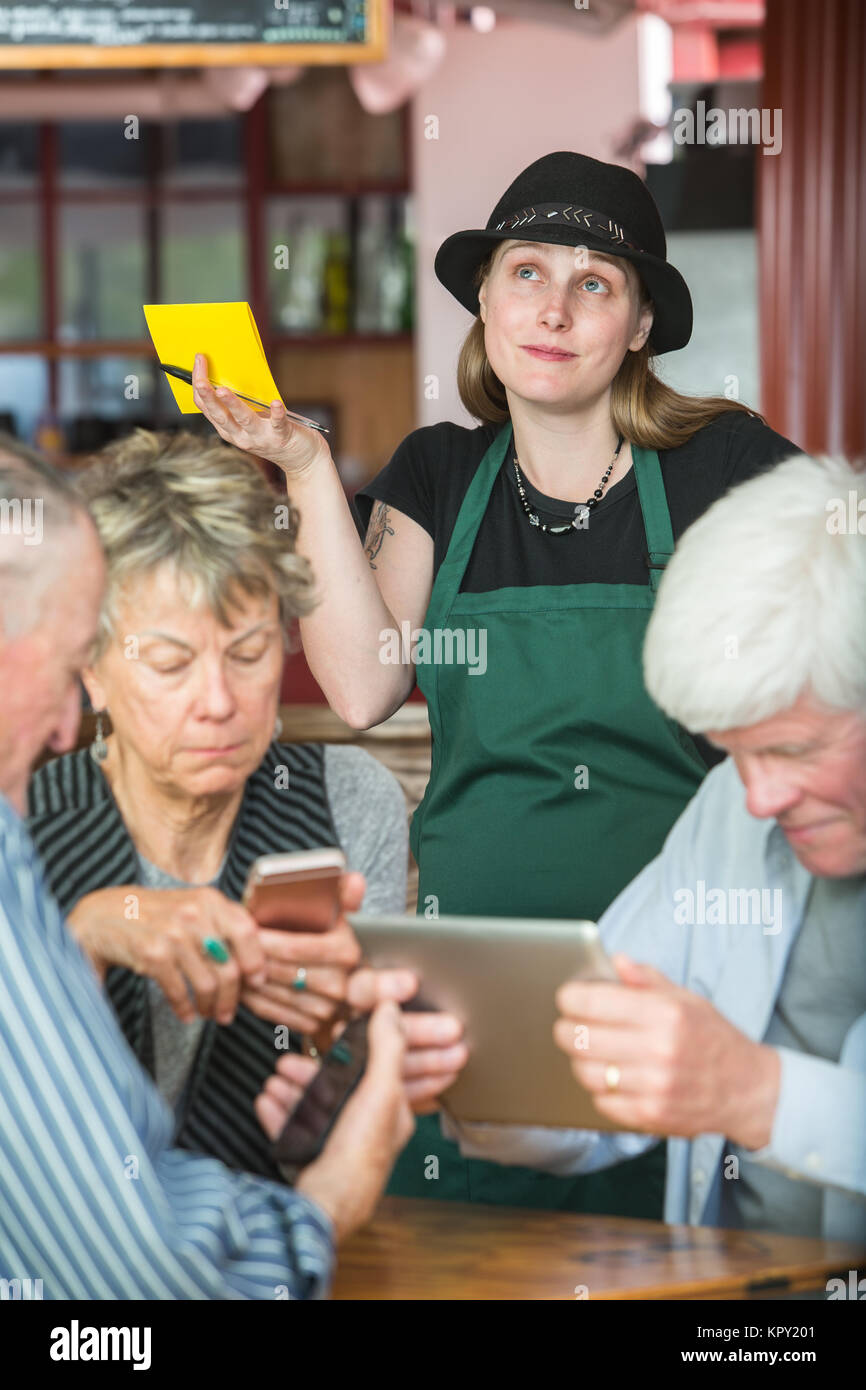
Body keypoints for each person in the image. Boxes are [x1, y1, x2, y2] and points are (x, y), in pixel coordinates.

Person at [189, 150, 800, 1215]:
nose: (552, 309)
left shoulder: (724, 467)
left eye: (593, 284)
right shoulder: (438, 472)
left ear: (641, 325)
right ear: (483, 297)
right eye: (525, 272)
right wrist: (300, 463)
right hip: (466, 1003)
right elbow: (365, 686)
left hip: (675, 990)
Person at [0, 435, 464, 1298]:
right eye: (170, 663)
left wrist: (346, 1062)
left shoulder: (343, 804)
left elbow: (328, 1107)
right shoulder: (24, 816)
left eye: (250, 653)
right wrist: (93, 938)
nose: (218, 702)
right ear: (89, 670)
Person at [440, 452, 866, 1242]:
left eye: (798, 751)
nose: (761, 798)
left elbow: (740, 1090)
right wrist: (470, 1075)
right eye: (735, 752)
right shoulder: (729, 812)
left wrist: (753, 1092)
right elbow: (594, 1083)